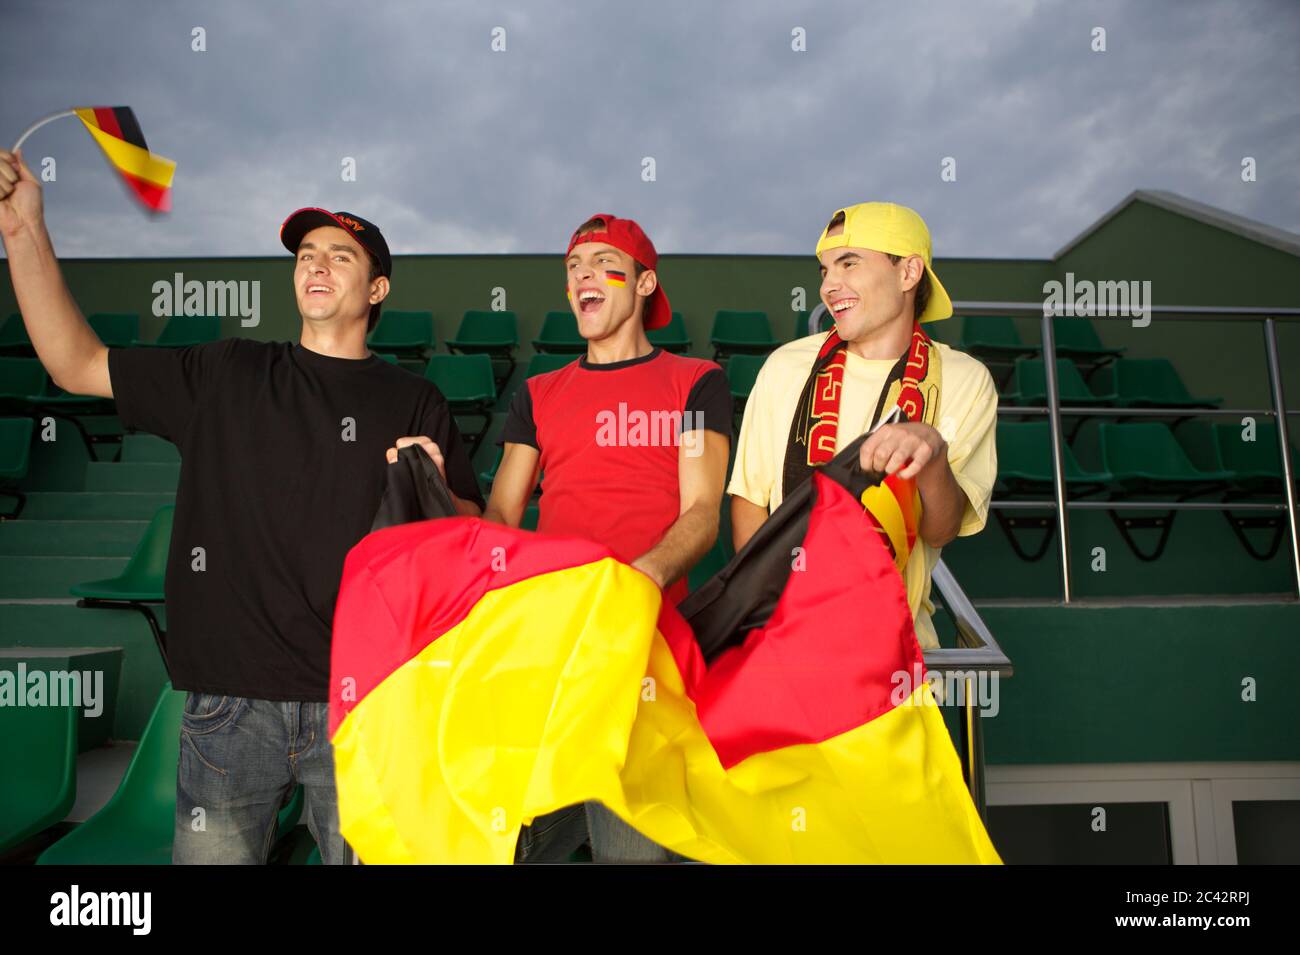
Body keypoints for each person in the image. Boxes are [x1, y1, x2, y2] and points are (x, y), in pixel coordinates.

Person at [0, 146, 484, 863]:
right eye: (306, 254)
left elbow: (473, 541)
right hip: (230, 708)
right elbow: (74, 363)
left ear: (378, 288)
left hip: (366, 706)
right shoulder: (225, 371)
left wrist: (436, 491)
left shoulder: (414, 400)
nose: (316, 264)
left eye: (340, 256)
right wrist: (22, 229)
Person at [484, 213, 731, 862]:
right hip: (550, 658)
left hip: (642, 658)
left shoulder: (696, 380)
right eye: (573, 268)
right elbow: (503, 515)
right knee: (506, 843)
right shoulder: (538, 393)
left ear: (644, 282)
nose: (583, 276)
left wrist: (636, 579)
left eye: (602, 262)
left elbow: (703, 510)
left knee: (633, 852)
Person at [728, 201, 997, 651]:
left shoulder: (966, 379)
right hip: (784, 641)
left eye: (849, 263)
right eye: (825, 270)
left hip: (896, 651)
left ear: (908, 273)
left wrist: (931, 456)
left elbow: (941, 531)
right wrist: (767, 620)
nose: (830, 286)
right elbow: (750, 501)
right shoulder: (785, 366)